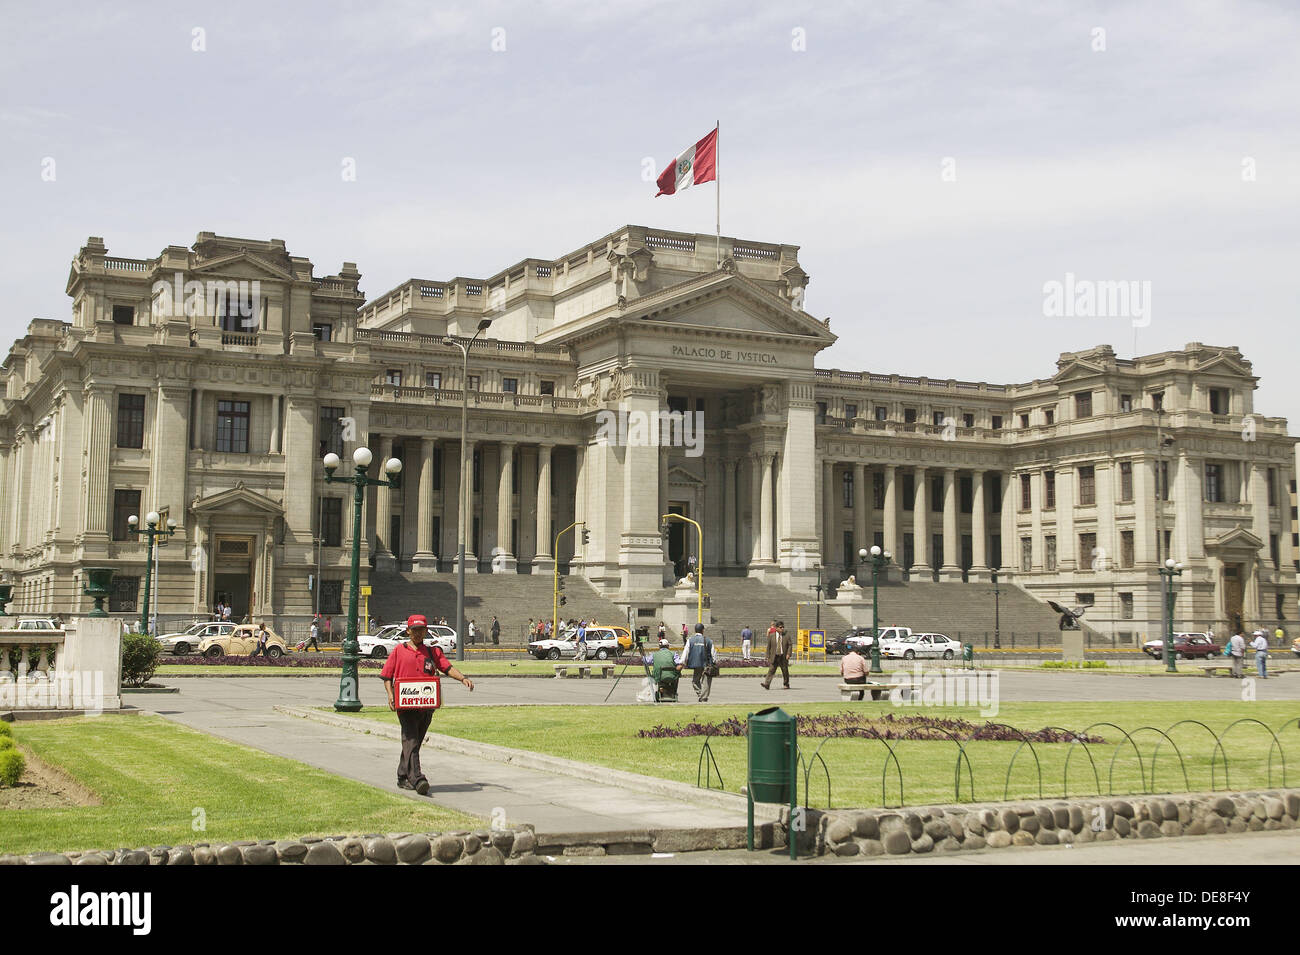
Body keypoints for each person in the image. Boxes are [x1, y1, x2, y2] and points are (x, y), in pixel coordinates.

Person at [380, 614, 474, 795]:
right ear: (408, 631)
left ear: (426, 631)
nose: (417, 633)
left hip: (426, 706)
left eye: (421, 630)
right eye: (414, 630)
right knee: (412, 740)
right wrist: (391, 695)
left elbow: (447, 667)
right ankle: (418, 779)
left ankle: (402, 775)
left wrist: (463, 678)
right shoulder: (399, 651)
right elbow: (386, 676)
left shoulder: (433, 652)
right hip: (406, 706)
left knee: (413, 742)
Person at [683, 622, 717, 702]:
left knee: (695, 681)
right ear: (703, 630)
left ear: (695, 630)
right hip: (707, 664)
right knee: (706, 682)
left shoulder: (690, 640)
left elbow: (686, 652)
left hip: (696, 664)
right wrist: (714, 662)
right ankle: (703, 697)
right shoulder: (709, 640)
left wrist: (682, 662)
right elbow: (713, 653)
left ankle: (700, 694)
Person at [762, 618, 792, 690]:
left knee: (785, 671)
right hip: (774, 656)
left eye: (783, 627)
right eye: (780, 627)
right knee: (771, 670)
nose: (782, 628)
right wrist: (767, 655)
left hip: (783, 656)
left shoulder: (786, 635)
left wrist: (788, 654)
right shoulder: (771, 636)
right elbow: (768, 646)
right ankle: (767, 684)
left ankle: (786, 684)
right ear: (776, 628)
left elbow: (790, 645)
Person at [650, 637, 680, 702]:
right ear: (668, 646)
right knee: (678, 674)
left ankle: (660, 690)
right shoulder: (673, 654)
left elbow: (647, 660)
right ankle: (674, 691)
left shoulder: (654, 654)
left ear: (659, 646)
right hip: (672, 676)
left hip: (659, 677)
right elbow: (678, 662)